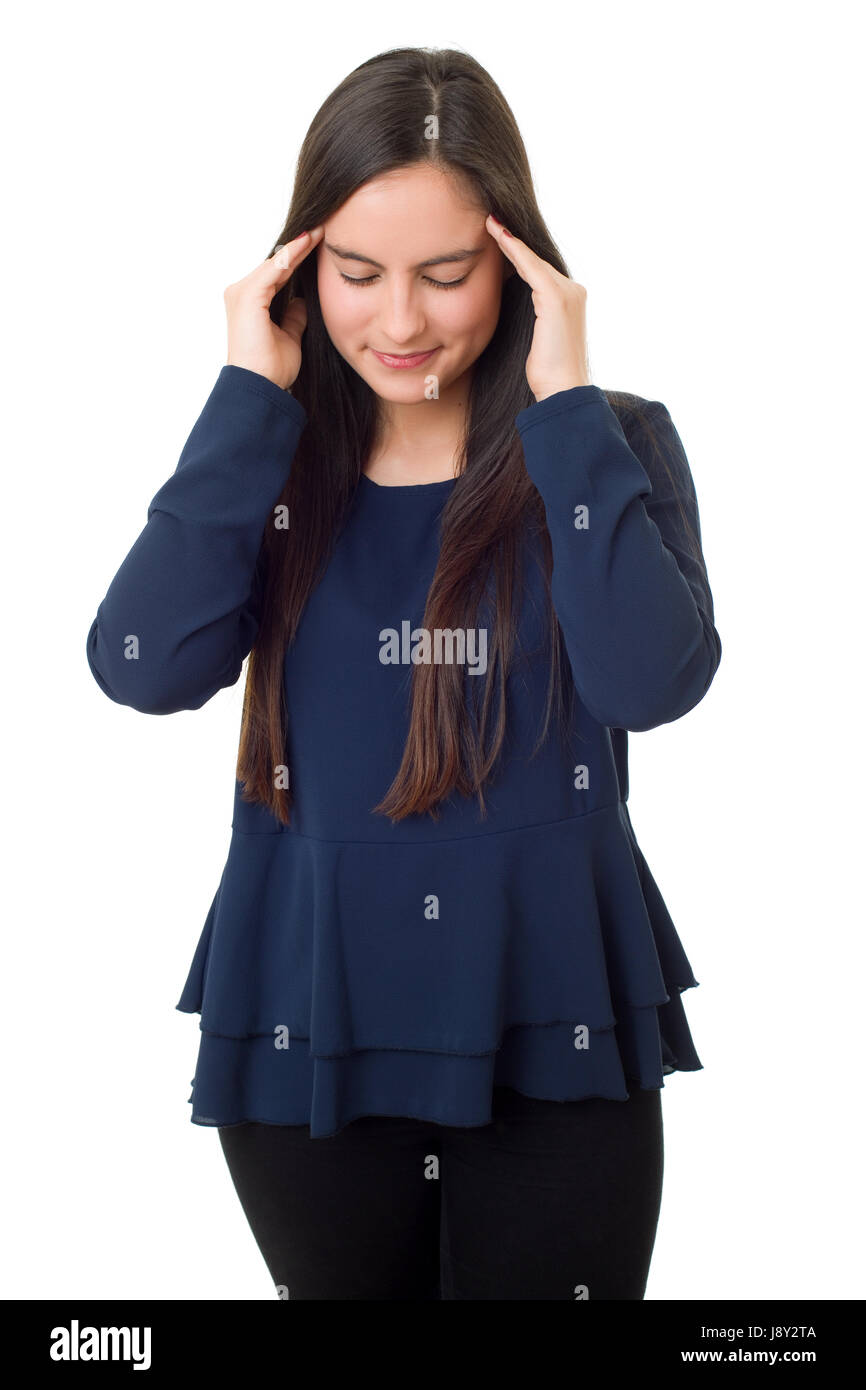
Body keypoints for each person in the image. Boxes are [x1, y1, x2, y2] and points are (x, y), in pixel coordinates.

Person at [85, 47, 722, 1300]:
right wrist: (239, 401)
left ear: (518, 263)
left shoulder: (604, 442)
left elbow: (649, 683)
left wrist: (565, 407)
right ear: (297, 268)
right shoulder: (270, 455)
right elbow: (141, 666)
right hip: (310, 1023)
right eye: (356, 273)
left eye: (446, 273)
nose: (399, 321)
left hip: (557, 1026)